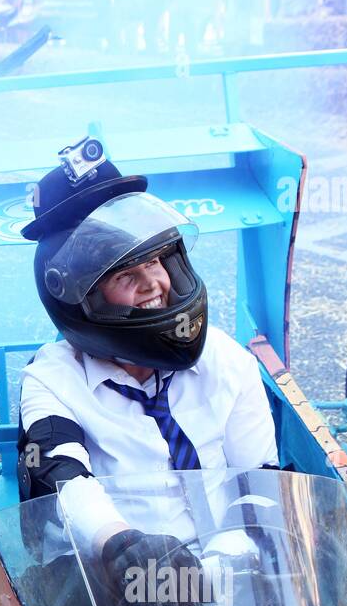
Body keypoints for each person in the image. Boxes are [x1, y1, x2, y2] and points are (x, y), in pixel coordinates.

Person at [16, 134, 279, 553]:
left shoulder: (226, 359)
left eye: (154, 261)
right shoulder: (52, 379)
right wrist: (123, 548)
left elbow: (261, 480)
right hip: (118, 576)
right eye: (125, 276)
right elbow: (61, 475)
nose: (153, 284)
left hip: (228, 563)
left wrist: (223, 565)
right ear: (84, 300)